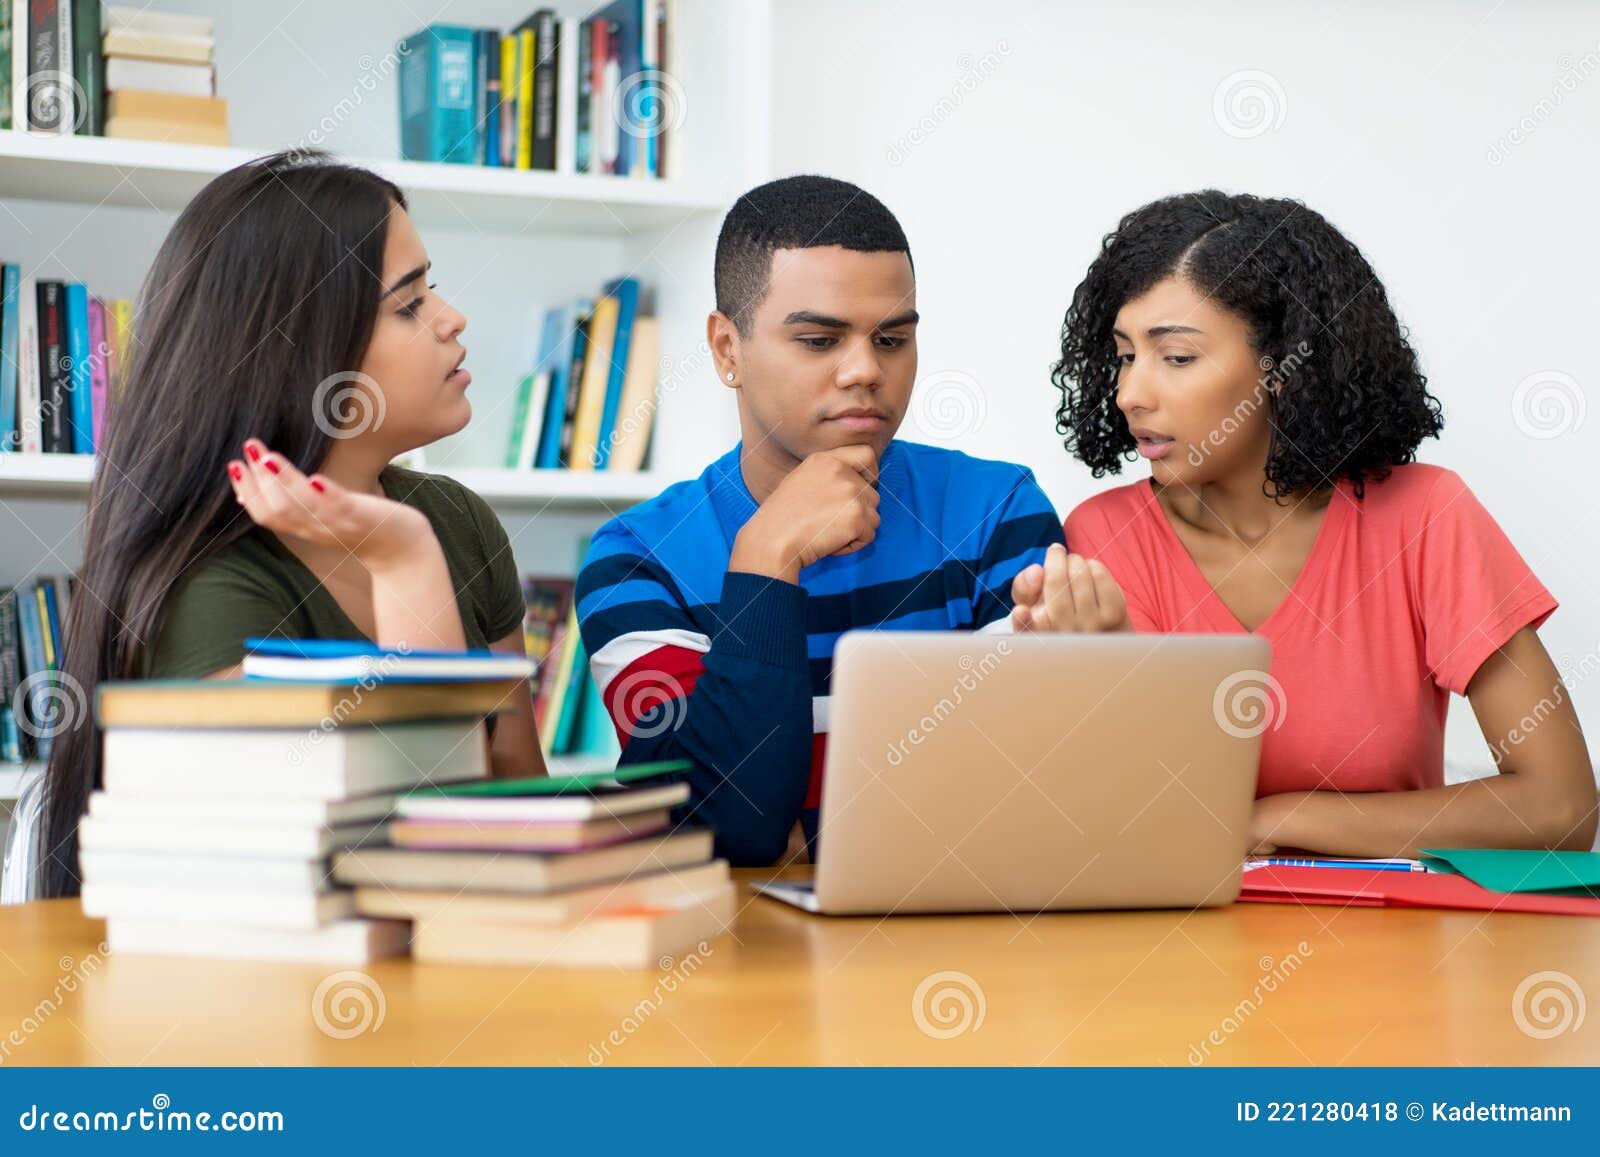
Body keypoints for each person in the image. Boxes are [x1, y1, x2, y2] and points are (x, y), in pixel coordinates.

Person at [1014, 190, 1596, 857]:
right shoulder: (1105, 537)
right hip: (1181, 950)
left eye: (1175, 357)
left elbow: (1562, 806)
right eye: (1124, 356)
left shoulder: (1423, 517)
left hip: (1400, 949)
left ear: (1286, 368)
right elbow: (1134, 827)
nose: (1130, 393)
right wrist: (1097, 673)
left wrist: (1271, 823)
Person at [41, 152, 542, 898]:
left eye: (430, 287)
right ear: (305, 348)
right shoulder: (211, 585)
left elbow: (522, 823)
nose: (450, 317)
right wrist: (405, 566)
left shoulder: (458, 520)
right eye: (408, 304)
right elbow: (412, 859)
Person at [576, 175, 1064, 865]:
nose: (864, 369)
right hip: (735, 962)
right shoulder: (634, 560)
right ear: (726, 349)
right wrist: (767, 555)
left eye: (892, 338)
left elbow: (1027, 797)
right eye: (818, 340)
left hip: (969, 949)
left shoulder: (999, 511)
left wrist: (815, 832)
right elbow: (724, 825)